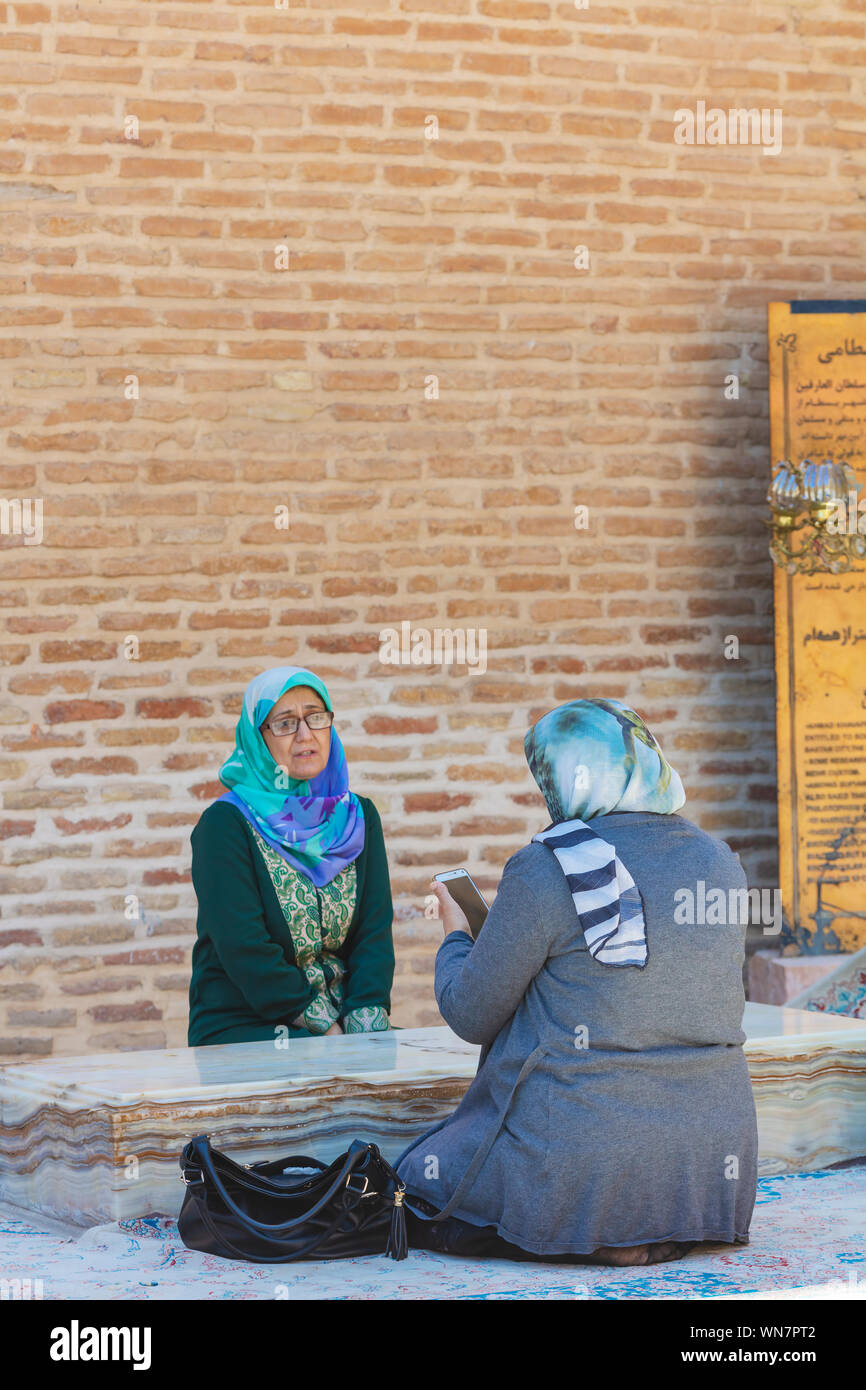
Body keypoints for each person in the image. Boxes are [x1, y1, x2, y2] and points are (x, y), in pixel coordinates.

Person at [396, 698, 758, 1266]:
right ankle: (652, 1222)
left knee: (417, 1177)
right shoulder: (720, 862)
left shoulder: (546, 866)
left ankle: (604, 1229)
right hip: (711, 1164)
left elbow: (469, 1012)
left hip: (583, 1160)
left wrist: (457, 935)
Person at [188, 666, 394, 1045]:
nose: (305, 735)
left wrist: (366, 1024)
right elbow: (244, 947)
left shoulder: (357, 817)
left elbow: (373, 934)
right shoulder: (225, 826)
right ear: (258, 737)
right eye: (284, 723)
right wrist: (324, 1027)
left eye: (316, 717)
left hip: (342, 1024)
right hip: (250, 1024)